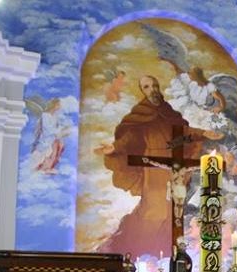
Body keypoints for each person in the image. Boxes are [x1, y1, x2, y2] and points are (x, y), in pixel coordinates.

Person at [95, 75, 222, 258]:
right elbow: (130, 138)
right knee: (153, 210)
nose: (152, 89)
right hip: (153, 170)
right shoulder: (141, 116)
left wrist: (204, 133)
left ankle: (165, 254)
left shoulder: (169, 114)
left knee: (171, 213)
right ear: (142, 91)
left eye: (154, 85)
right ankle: (135, 248)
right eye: (147, 87)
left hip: (173, 167)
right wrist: (114, 147)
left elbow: (184, 133)